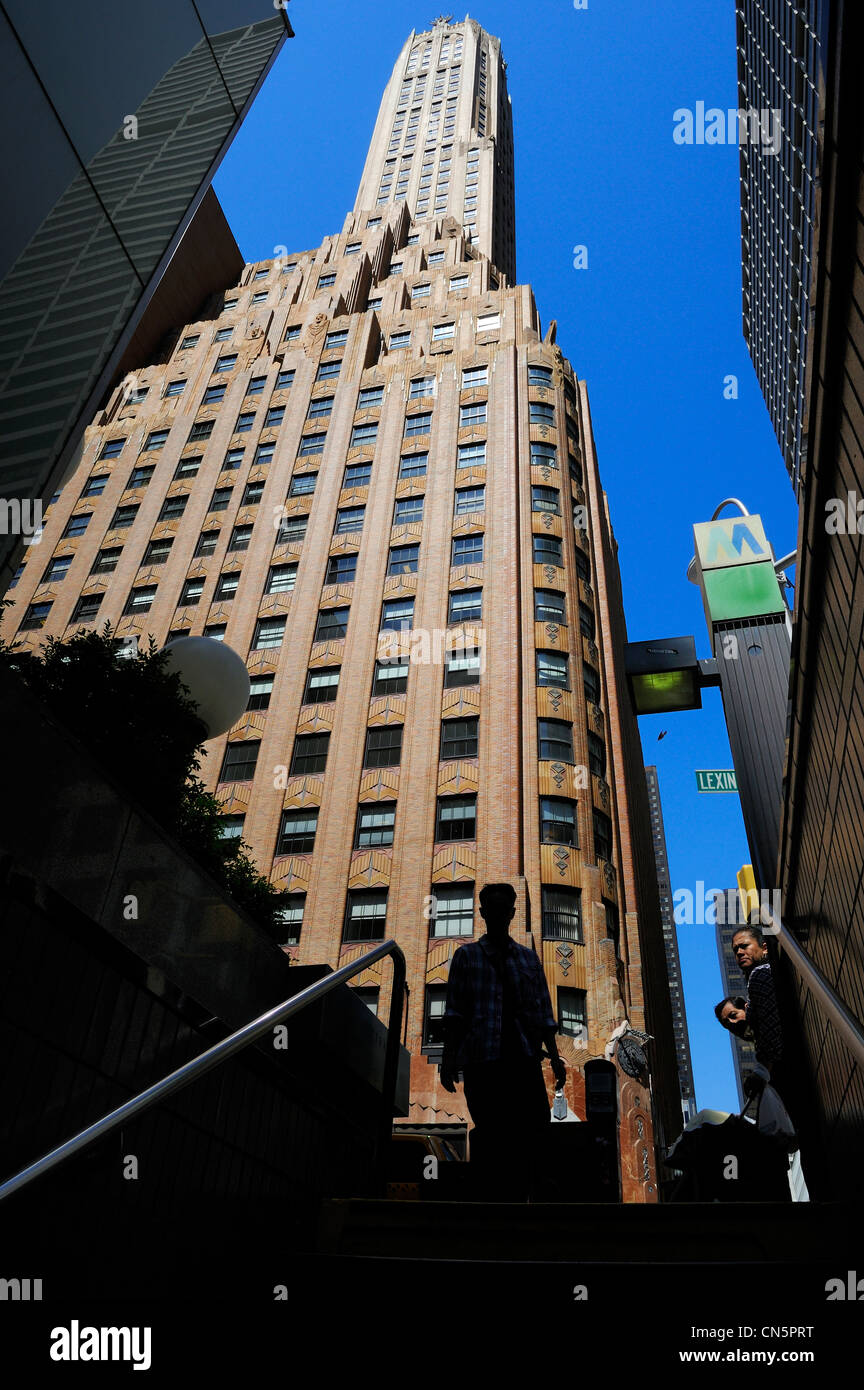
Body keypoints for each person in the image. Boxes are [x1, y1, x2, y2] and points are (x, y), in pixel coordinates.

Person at [440, 882, 566, 1195]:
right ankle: (493, 1207)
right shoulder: (466, 957)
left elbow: (544, 1014)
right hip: (483, 1062)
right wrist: (448, 1059)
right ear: (482, 913)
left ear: (511, 913)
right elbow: (455, 1013)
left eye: (503, 910)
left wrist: (556, 1058)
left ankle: (528, 1206)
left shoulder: (528, 960)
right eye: (491, 909)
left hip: (523, 1061)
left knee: (534, 1131)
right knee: (491, 1134)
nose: (498, 915)